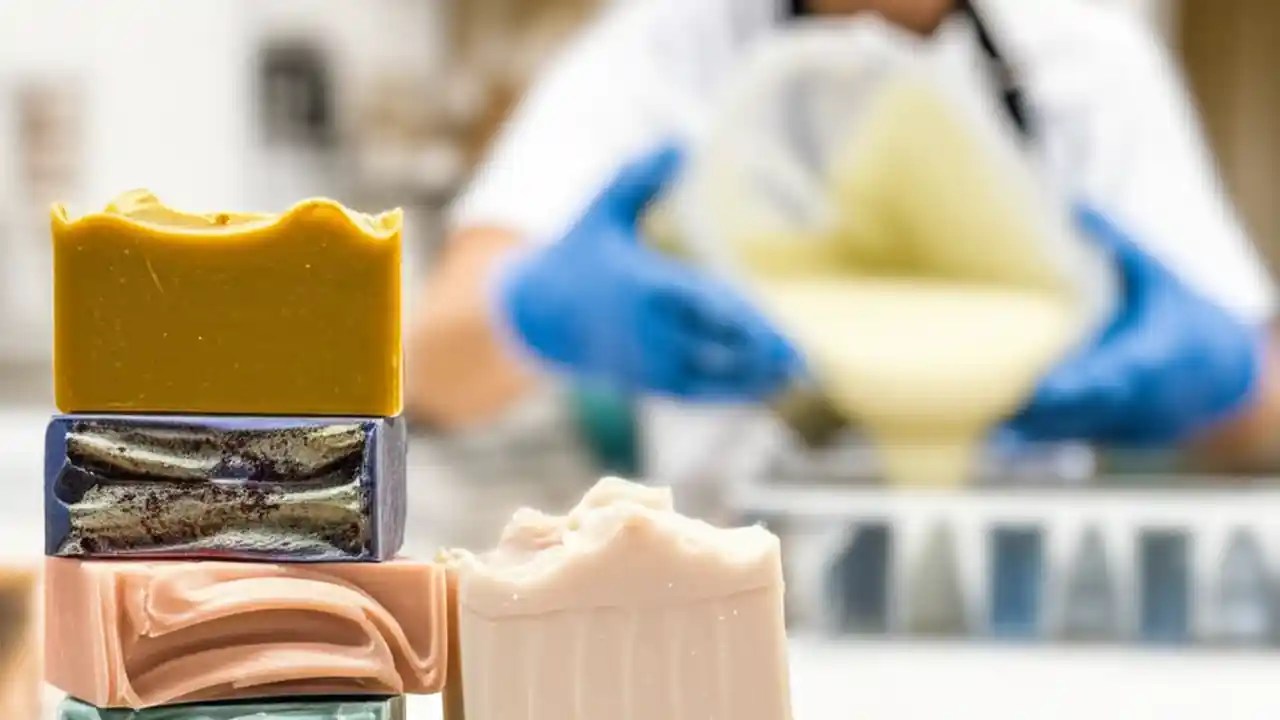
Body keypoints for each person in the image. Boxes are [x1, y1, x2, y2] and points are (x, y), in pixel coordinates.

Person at [407, 0, 1280, 479]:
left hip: (1013, 589)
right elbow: (424, 373)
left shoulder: (1085, 56)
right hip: (729, 584)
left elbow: (1267, 410)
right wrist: (537, 309)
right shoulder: (662, 46)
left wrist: (1223, 374)